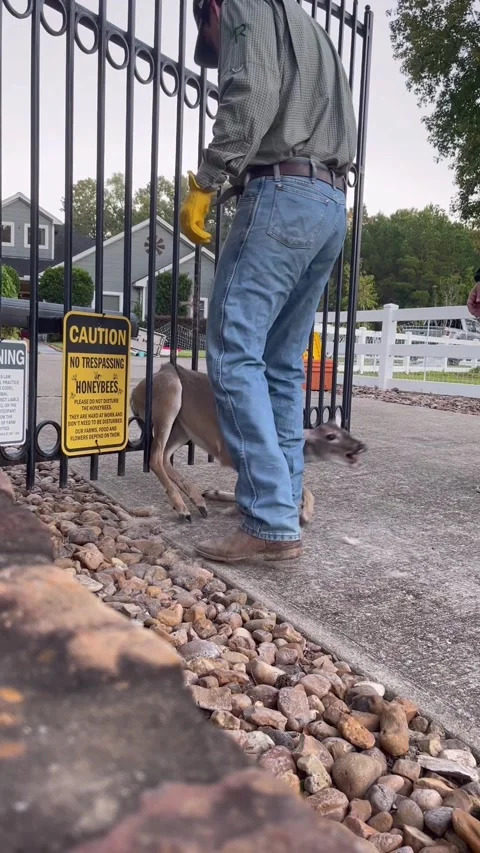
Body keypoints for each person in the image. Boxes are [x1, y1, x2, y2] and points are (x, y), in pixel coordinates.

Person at [180, 0, 357, 564]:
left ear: (209, 11)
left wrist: (208, 180)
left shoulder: (240, 3)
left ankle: (269, 518)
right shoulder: (310, 30)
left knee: (235, 352)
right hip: (330, 203)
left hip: (282, 195)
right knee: (281, 363)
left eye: (215, 38)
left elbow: (250, 94)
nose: (221, 43)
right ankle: (283, 506)